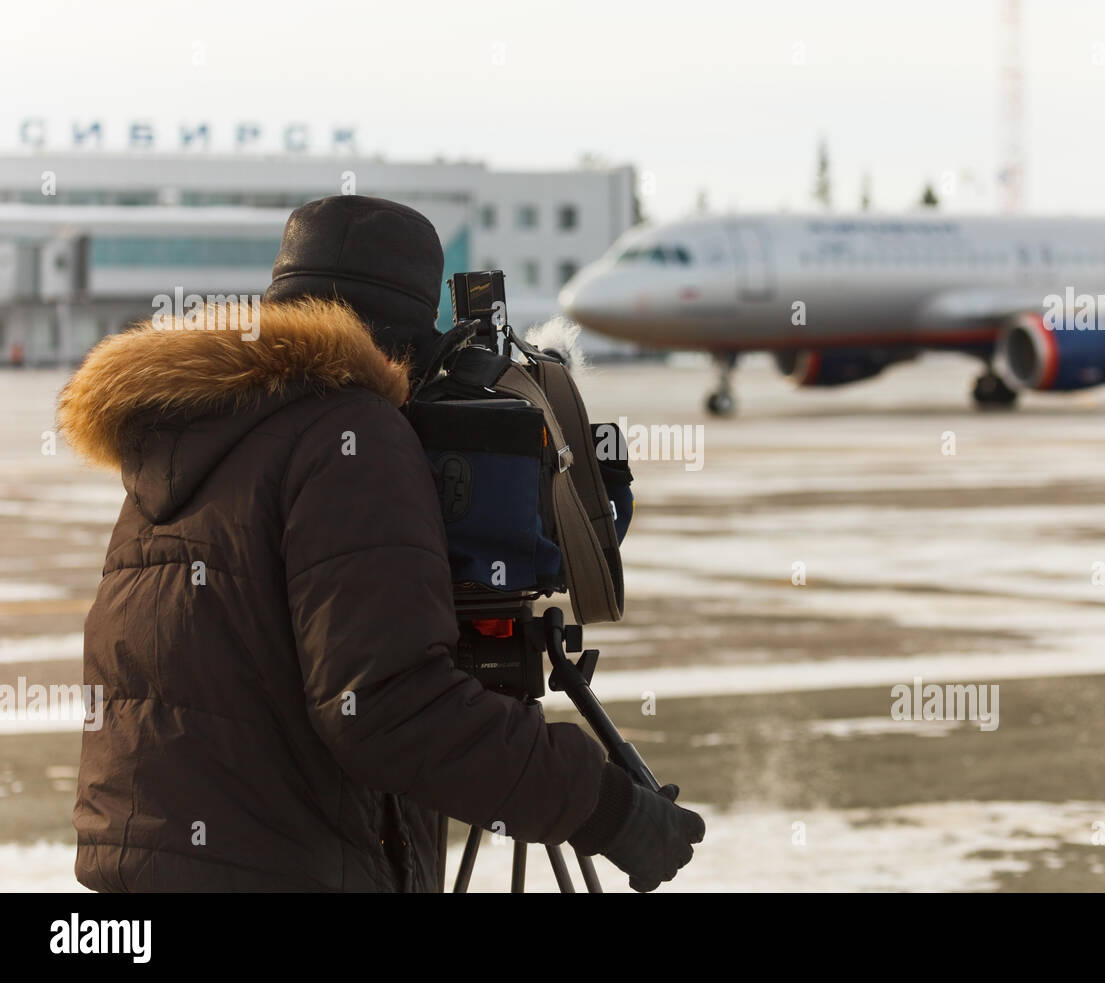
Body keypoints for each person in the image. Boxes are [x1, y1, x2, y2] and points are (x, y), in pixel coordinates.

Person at [57, 194, 704, 892]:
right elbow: (389, 708)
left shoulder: (196, 427)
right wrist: (605, 809)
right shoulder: (350, 433)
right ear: (408, 347)